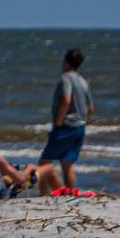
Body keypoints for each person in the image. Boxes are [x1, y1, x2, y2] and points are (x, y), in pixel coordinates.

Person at [37, 48, 94, 194]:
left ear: (66, 62)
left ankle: (43, 194)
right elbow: (90, 107)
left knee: (44, 162)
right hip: (80, 126)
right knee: (67, 163)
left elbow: (66, 100)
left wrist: (58, 122)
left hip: (66, 125)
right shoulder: (83, 81)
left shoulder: (66, 78)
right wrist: (84, 120)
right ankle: (70, 192)